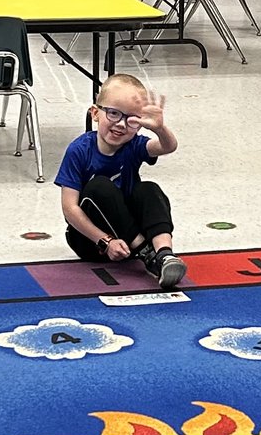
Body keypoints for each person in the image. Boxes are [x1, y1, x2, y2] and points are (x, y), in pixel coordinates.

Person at [57, 74, 184, 288]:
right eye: (114, 114)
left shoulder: (133, 145)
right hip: (91, 240)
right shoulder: (79, 150)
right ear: (95, 113)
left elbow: (168, 147)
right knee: (100, 187)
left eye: (132, 120)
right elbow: (69, 208)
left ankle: (163, 254)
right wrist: (104, 240)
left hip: (128, 234)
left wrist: (159, 128)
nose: (121, 124)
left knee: (149, 189)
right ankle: (147, 253)